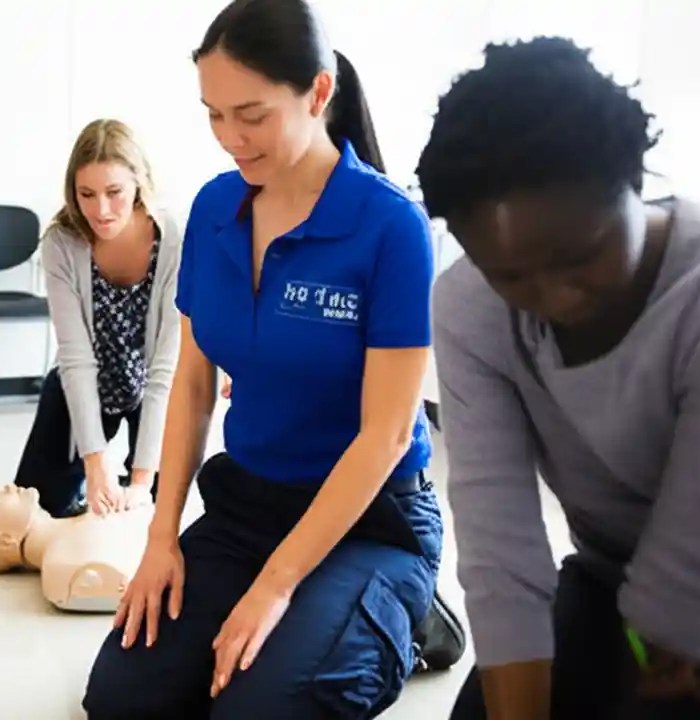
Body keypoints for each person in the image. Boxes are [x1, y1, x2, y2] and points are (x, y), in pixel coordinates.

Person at [82, 1, 443, 717]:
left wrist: (276, 586)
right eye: (214, 114)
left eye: (251, 114)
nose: (229, 138)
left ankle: (407, 612)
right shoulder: (215, 211)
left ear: (317, 92)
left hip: (370, 521)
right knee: (124, 701)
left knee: (259, 709)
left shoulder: (390, 227)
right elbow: (191, 383)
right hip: (250, 507)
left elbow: (388, 435)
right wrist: (162, 539)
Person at [417, 37, 700, 719]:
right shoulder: (470, 304)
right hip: (610, 575)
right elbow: (499, 548)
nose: (556, 298)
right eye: (511, 276)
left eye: (582, 257)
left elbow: (687, 594)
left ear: (635, 182)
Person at [12, 119, 182, 518]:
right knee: (39, 508)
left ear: (139, 183)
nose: (101, 210)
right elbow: (75, 358)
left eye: (114, 192)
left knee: (157, 508)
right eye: (86, 194)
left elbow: (164, 368)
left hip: (156, 388)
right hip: (85, 383)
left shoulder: (176, 239)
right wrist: (94, 460)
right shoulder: (61, 243)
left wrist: (140, 481)